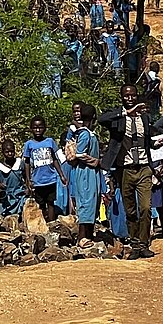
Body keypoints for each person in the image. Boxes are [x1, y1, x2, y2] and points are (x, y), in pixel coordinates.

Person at [98, 84, 156, 259]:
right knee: (130, 210)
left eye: (133, 95)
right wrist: (125, 113)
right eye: (126, 95)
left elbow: (147, 139)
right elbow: (101, 119)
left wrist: (154, 144)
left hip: (144, 167)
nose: (130, 98)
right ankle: (135, 243)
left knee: (145, 208)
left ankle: (144, 244)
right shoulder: (118, 116)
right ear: (122, 97)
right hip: (125, 169)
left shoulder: (144, 117)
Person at [68, 104, 102, 248]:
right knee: (86, 201)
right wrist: (95, 161)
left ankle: (89, 234)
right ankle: (82, 237)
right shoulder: (84, 134)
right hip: (85, 173)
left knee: (93, 201)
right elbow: (80, 154)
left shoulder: (89, 133)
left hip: (92, 173)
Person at [22, 117, 68, 222]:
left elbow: (54, 159)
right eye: (35, 128)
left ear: (45, 128)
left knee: (50, 202)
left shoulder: (50, 141)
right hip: (38, 181)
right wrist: (28, 179)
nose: (38, 130)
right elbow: (27, 162)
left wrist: (61, 175)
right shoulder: (29, 144)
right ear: (31, 129)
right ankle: (42, 223)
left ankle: (51, 223)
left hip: (50, 179)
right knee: (40, 204)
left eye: (40, 127)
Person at [0, 138, 27, 219]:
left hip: (20, 193)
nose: (10, 154)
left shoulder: (19, 163)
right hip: (7, 196)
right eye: (7, 152)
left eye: (12, 151)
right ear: (3, 152)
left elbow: (25, 175)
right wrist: (0, 185)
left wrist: (27, 187)